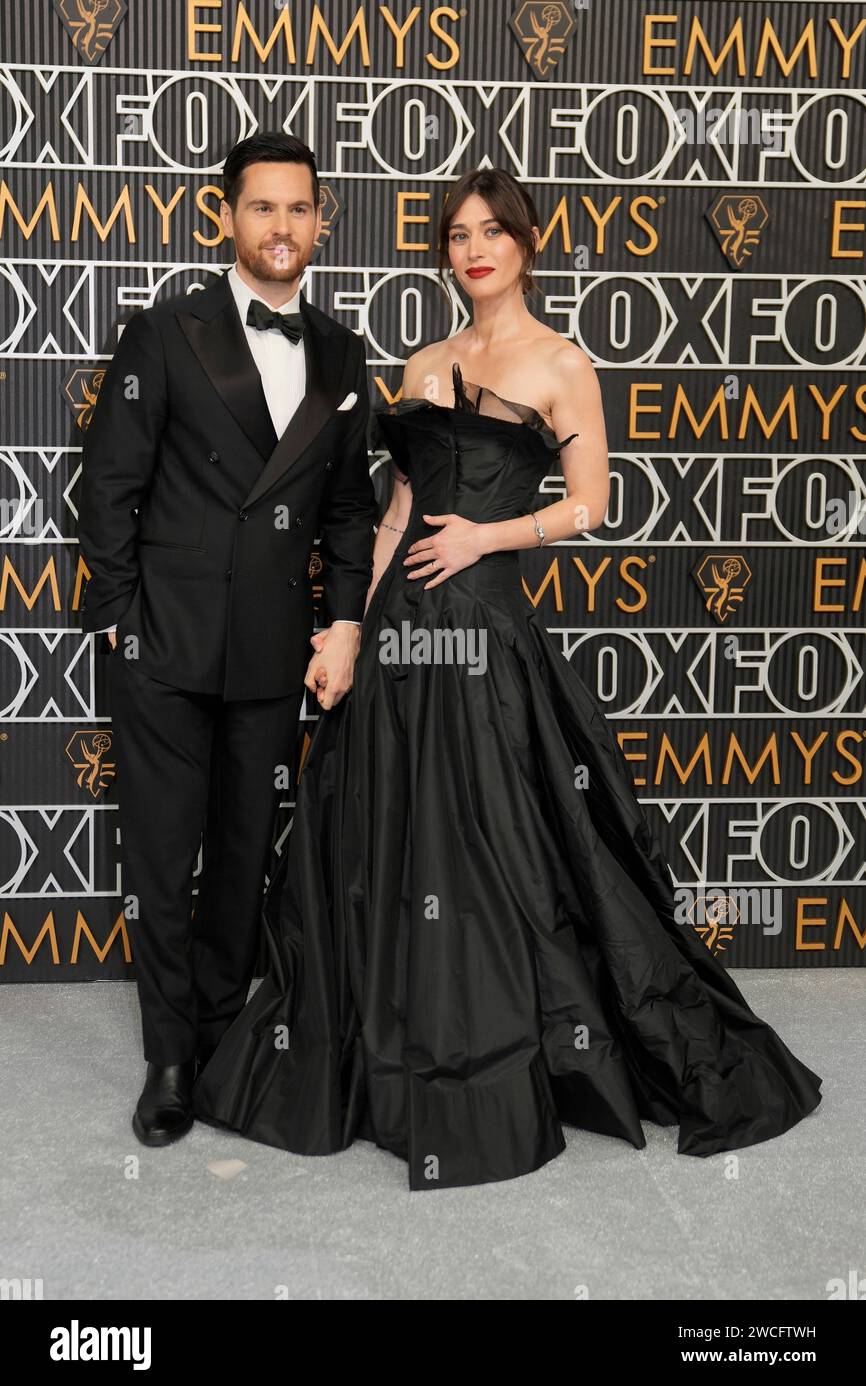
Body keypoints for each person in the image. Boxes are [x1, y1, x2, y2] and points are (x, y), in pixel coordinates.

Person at [193, 167, 822, 1190]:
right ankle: (381, 1049)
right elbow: (397, 510)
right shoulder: (425, 357)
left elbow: (590, 503)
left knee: (496, 846)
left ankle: (494, 1048)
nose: (473, 249)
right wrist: (345, 626)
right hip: (402, 631)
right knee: (381, 835)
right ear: (442, 252)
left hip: (485, 632)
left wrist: (489, 532)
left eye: (492, 231)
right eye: (455, 235)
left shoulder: (559, 362)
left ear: (526, 243)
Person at [77, 133, 376, 1146]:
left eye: (299, 209)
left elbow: (345, 513)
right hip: (161, 645)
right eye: (261, 208)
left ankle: (216, 1032)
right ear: (224, 217)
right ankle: (169, 1056)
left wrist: (341, 623)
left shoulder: (341, 354)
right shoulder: (164, 332)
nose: (281, 227)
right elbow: (107, 488)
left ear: (320, 220)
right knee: (163, 861)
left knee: (243, 859)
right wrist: (120, 624)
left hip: (269, 651)